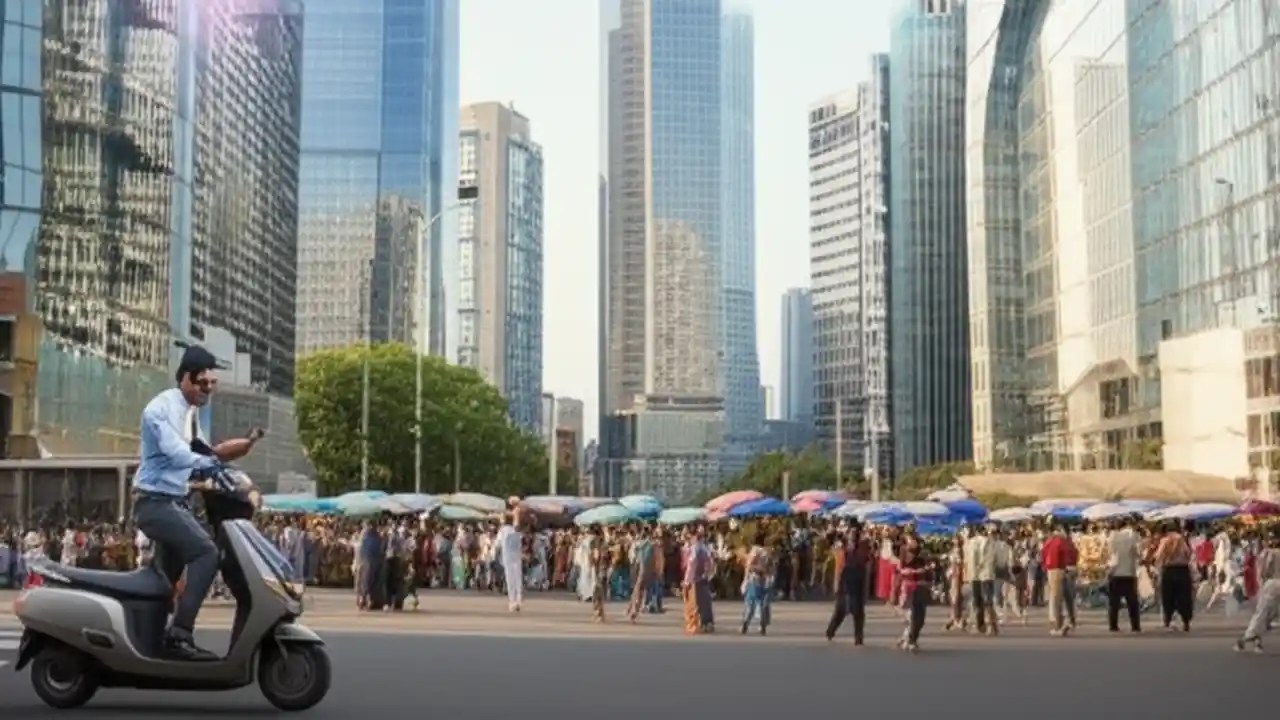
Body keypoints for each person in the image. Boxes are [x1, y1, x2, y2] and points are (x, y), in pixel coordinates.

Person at [131, 345, 262, 661]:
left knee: (165, 577)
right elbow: (178, 453)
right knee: (206, 554)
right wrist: (211, 466)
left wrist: (244, 448)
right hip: (154, 503)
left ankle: (150, 640)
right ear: (186, 379)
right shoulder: (160, 410)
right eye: (203, 383)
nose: (208, 389)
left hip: (174, 502)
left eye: (212, 383)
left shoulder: (189, 412)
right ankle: (180, 635)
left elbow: (207, 452)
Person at [497, 513, 524, 612]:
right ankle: (519, 600)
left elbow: (498, 544)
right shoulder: (516, 530)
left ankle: (512, 601)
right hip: (516, 556)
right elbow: (520, 540)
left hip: (507, 556)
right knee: (518, 578)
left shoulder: (502, 530)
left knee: (510, 580)